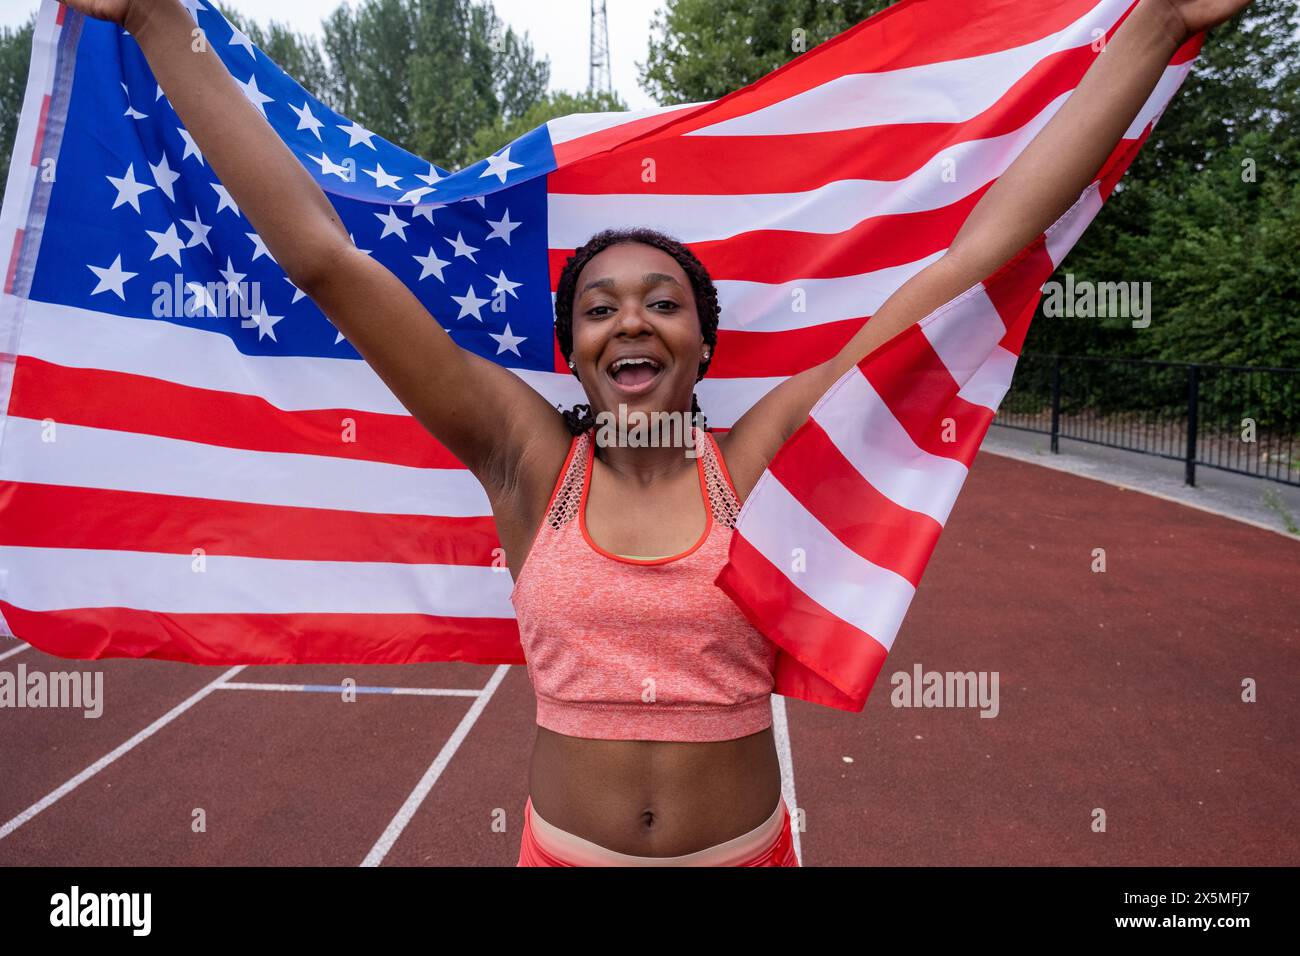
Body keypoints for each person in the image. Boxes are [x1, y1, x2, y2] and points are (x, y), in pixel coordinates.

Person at [59, 0, 1252, 866]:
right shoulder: (524, 456)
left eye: (662, 300)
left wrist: (1152, 29)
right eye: (598, 305)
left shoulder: (759, 453)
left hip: (748, 853)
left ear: (701, 343)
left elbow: (974, 253)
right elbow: (324, 255)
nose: (630, 317)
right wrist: (162, 23)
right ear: (572, 348)